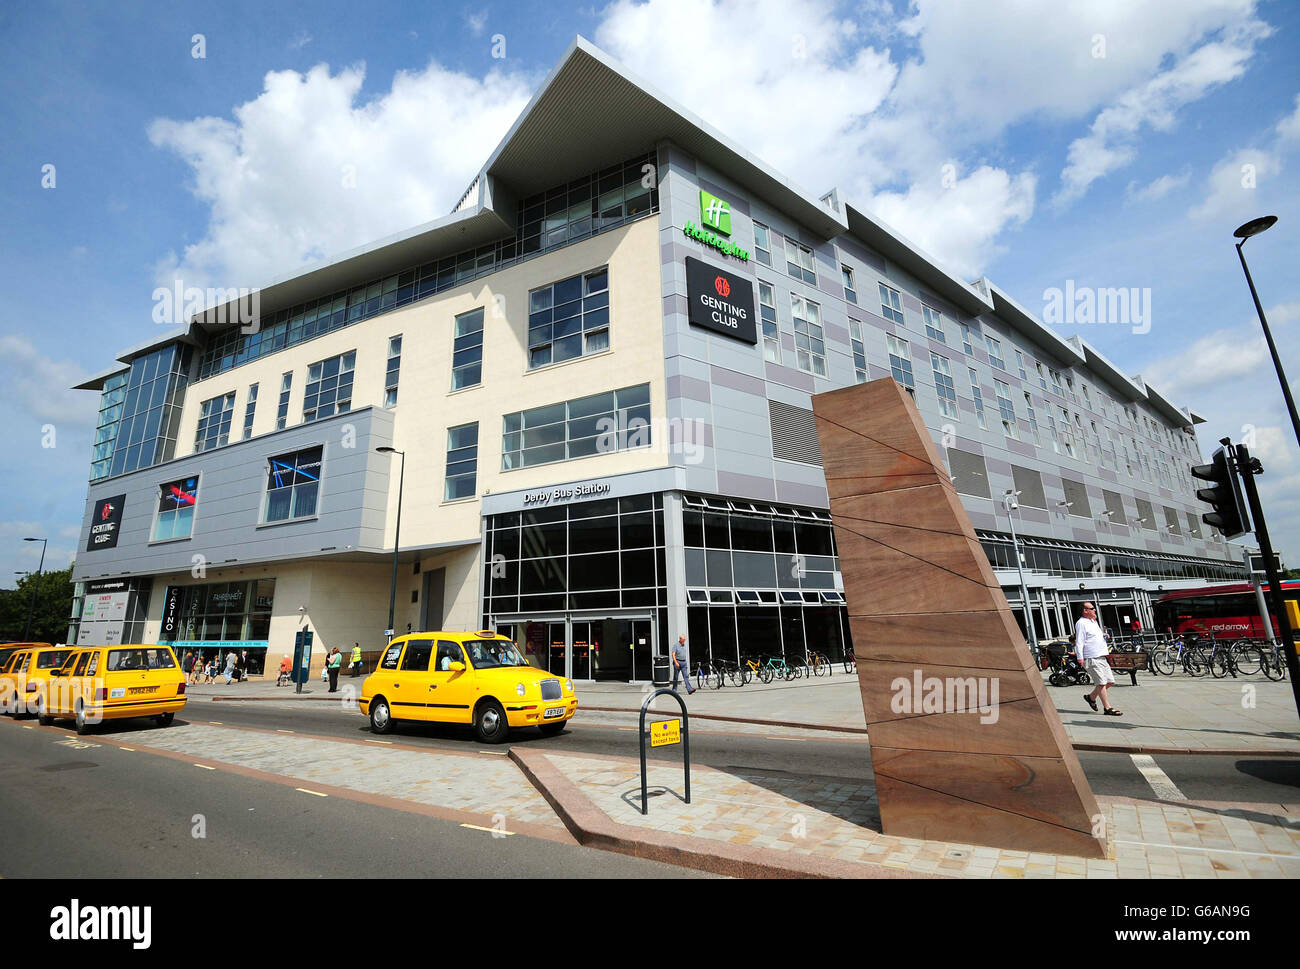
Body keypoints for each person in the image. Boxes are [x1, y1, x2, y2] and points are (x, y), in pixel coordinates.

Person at [1075, 602, 1120, 716]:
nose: (1095, 610)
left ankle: (1091, 697)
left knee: (1110, 682)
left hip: (1101, 656)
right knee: (1101, 683)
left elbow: (1094, 637)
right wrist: (1080, 658)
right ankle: (1107, 707)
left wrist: (1104, 636)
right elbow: (1079, 641)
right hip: (1091, 657)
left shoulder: (1093, 622)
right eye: (1092, 608)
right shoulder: (1081, 623)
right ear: (1085, 611)